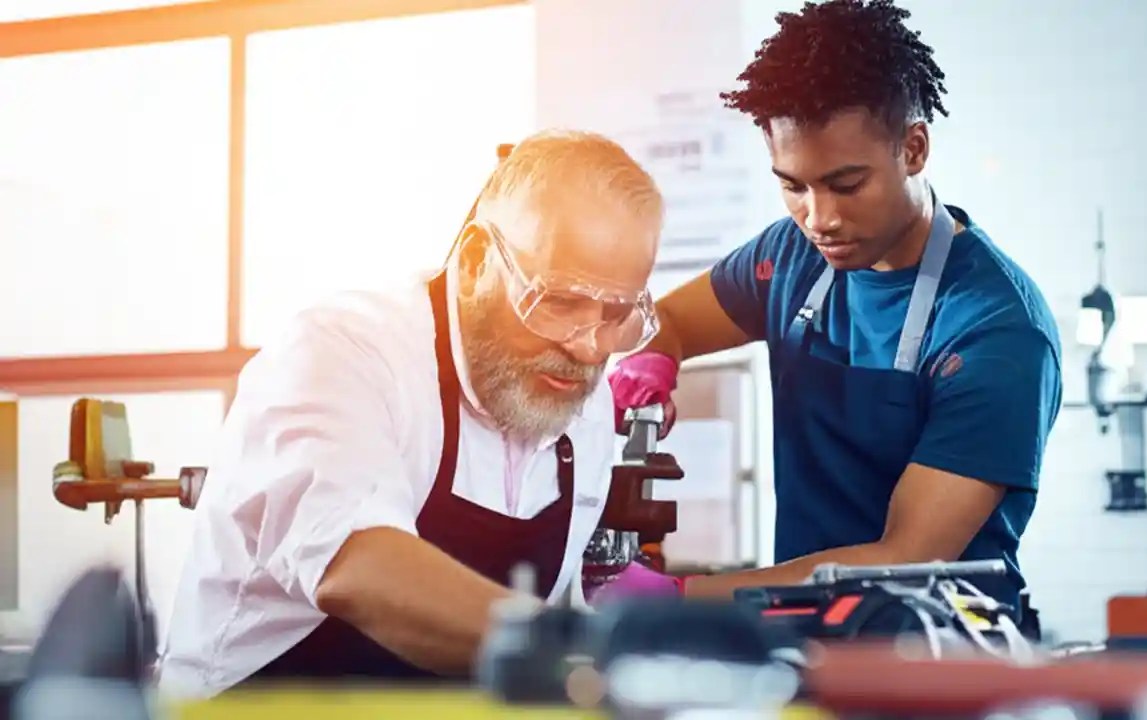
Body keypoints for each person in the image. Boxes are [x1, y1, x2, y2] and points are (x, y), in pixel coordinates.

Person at [159, 130, 665, 697]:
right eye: (560, 301)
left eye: (616, 314)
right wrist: (591, 649)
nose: (590, 349)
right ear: (475, 261)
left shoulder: (581, 403)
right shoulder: (344, 350)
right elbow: (359, 568)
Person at [602, 0, 1062, 614]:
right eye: (793, 185)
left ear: (914, 149)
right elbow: (672, 321)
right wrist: (651, 357)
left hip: (939, 644)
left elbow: (907, 559)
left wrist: (680, 599)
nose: (819, 219)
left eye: (847, 185)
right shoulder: (788, 257)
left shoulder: (996, 331)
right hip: (799, 628)